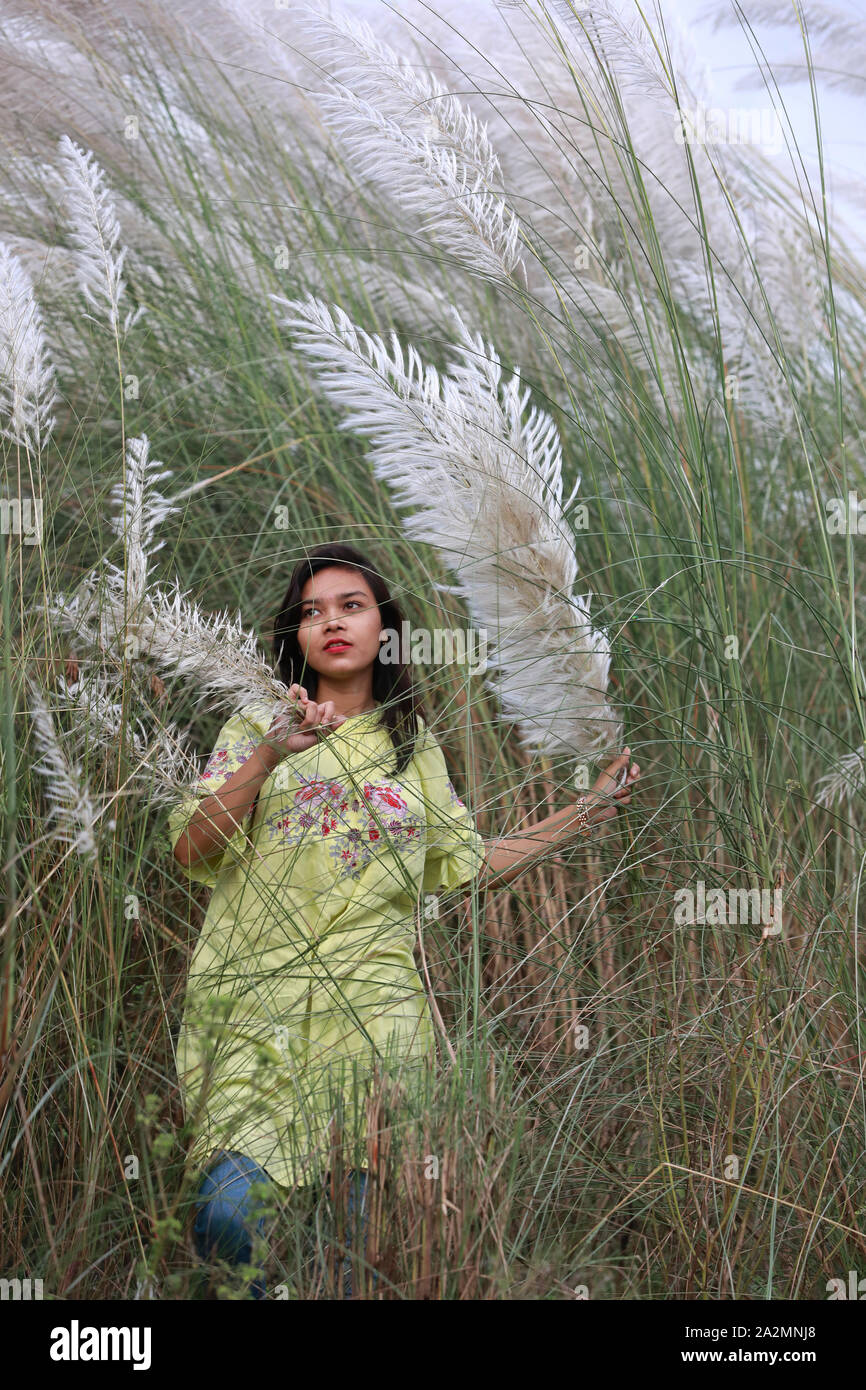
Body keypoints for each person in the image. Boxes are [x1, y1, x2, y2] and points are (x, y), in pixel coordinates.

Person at [169, 542, 641, 1298]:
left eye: (350, 606)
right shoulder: (256, 725)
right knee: (226, 1215)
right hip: (254, 1007)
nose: (330, 622)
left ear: (384, 628)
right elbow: (193, 845)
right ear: (294, 636)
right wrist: (265, 758)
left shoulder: (412, 748)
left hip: (377, 1017)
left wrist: (587, 810)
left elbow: (467, 865)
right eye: (311, 612)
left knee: (363, 1243)